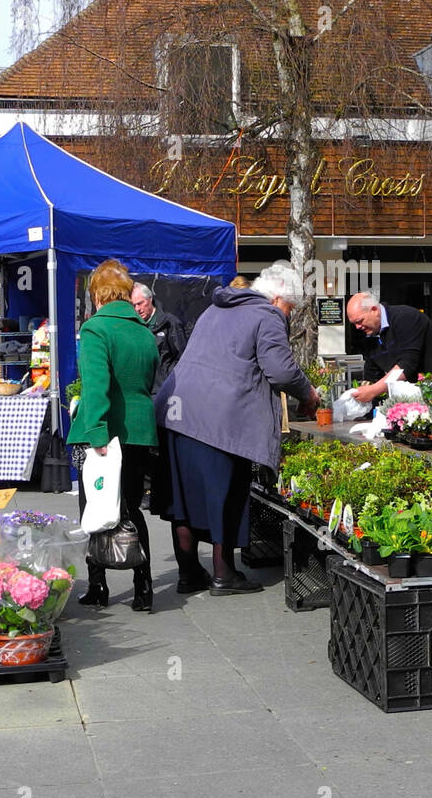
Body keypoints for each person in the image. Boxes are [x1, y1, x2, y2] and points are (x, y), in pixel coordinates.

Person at [157, 263, 319, 595]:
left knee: (184, 498)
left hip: (177, 409)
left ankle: (188, 574)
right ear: (277, 298)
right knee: (226, 495)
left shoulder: (215, 308)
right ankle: (224, 574)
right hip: (220, 417)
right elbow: (281, 370)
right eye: (289, 309)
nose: (288, 317)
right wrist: (309, 393)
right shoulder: (267, 315)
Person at [68, 260, 159, 612]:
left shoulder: (95, 329)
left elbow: (95, 386)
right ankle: (144, 588)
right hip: (139, 431)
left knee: (94, 509)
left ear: (97, 294)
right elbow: (148, 381)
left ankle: (98, 586)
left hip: (104, 432)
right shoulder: (143, 331)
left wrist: (96, 431)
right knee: (131, 509)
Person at [345, 292, 432, 406]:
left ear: (374, 310)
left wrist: (374, 390)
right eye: (354, 324)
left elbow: (407, 363)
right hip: (410, 397)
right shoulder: (370, 334)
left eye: (359, 321)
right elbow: (372, 372)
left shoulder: (406, 317)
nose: (357, 327)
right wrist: (365, 401)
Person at [131, 282, 187, 393]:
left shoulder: (170, 323)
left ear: (150, 299)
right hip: (142, 390)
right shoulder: (133, 326)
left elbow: (183, 357)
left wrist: (168, 378)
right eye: (134, 305)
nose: (137, 309)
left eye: (140, 303)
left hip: (166, 390)